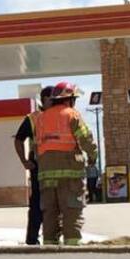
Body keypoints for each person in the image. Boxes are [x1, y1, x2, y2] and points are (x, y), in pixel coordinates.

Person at [32, 81, 99, 245]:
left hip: (46, 176)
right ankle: (72, 248)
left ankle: (49, 247)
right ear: (70, 99)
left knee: (50, 213)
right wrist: (93, 157)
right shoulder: (72, 114)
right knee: (71, 211)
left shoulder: (40, 119)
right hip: (70, 174)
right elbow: (86, 139)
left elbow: (36, 148)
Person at [12, 87, 53, 245]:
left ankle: (52, 238)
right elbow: (18, 139)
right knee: (37, 204)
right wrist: (24, 161)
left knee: (56, 203)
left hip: (57, 166)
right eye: (52, 98)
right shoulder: (33, 118)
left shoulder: (63, 115)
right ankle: (32, 239)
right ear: (44, 99)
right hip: (39, 167)